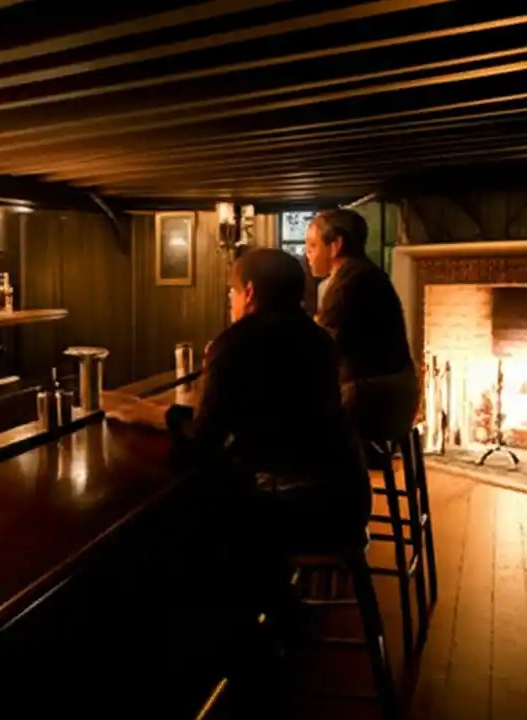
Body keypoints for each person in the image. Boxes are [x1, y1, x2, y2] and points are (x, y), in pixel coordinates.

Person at [105, 248, 372, 713]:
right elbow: (270, 419)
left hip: (303, 505)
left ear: (248, 294)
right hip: (346, 495)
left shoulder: (236, 343)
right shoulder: (318, 341)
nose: (231, 300)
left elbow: (205, 445)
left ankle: (231, 663)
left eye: (232, 291)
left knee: (199, 527)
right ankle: (280, 621)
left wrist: (158, 423)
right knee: (226, 513)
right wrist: (172, 415)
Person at [304, 208, 418, 445]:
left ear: (335, 245)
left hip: (372, 399)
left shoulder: (350, 284)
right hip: (396, 397)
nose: (307, 254)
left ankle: (323, 481)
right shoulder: (366, 275)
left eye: (312, 246)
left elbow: (320, 349)